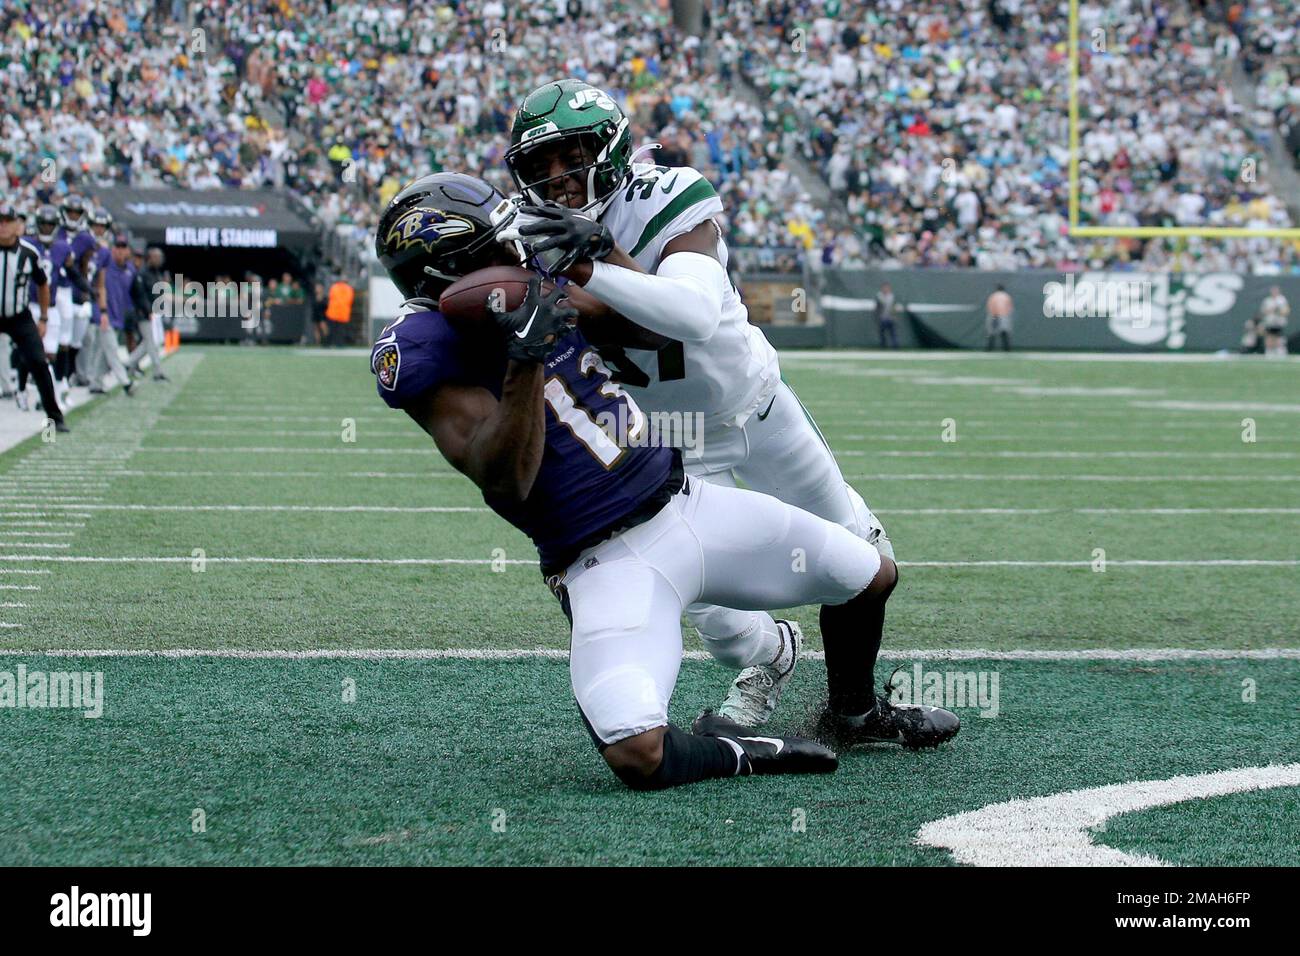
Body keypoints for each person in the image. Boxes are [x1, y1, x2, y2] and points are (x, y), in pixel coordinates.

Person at [371, 173, 957, 792]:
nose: (517, 251)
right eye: (498, 247)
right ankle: (745, 750)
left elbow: (654, 332)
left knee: (869, 573)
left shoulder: (534, 279)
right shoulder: (422, 348)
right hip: (601, 559)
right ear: (445, 274)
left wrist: (602, 258)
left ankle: (854, 715)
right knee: (637, 753)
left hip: (687, 505)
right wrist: (524, 357)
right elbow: (506, 478)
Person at [501, 79, 899, 736]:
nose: (557, 176)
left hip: (759, 407)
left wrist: (593, 262)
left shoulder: (667, 194)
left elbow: (689, 315)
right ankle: (772, 657)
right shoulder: (526, 240)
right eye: (538, 165)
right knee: (721, 623)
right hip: (675, 441)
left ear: (608, 149)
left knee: (863, 560)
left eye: (567, 154)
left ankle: (854, 711)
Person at [0, 202, 68, 431]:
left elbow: (43, 284)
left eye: (7, 222)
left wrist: (44, 317)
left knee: (39, 362)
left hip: (19, 315)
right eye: (0, 222)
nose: (3, 227)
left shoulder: (28, 253)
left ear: (17, 225)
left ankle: (54, 416)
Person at [90, 234, 140, 395]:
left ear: (128, 251)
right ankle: (126, 382)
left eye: (123, 247)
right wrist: (101, 310)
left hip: (119, 315)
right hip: (104, 313)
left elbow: (133, 293)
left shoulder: (130, 270)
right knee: (112, 349)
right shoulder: (106, 261)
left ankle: (95, 383)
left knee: (104, 353)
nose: (120, 250)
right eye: (117, 247)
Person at [1260, 285, 1289, 356]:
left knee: (1278, 337)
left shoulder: (1282, 299)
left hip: (1279, 321)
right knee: (1269, 336)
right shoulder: (1267, 300)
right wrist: (1270, 310)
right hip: (1269, 321)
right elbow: (1263, 311)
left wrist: (1277, 310)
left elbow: (1285, 311)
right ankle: (1269, 351)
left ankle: (1280, 351)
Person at [985, 284, 1014, 351]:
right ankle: (1007, 349)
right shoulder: (1006, 296)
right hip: (1004, 316)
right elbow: (1010, 307)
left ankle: (989, 349)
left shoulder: (993, 296)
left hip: (994, 315)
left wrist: (993, 314)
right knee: (1004, 332)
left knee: (991, 333)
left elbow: (990, 306)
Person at [876, 281, 900, 348]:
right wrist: (879, 316)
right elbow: (877, 308)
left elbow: (895, 307)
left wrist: (894, 315)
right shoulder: (879, 296)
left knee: (893, 333)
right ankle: (883, 346)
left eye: (887, 287)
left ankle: (895, 346)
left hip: (891, 317)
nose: (885, 289)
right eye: (884, 287)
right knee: (882, 333)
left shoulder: (892, 296)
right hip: (882, 317)